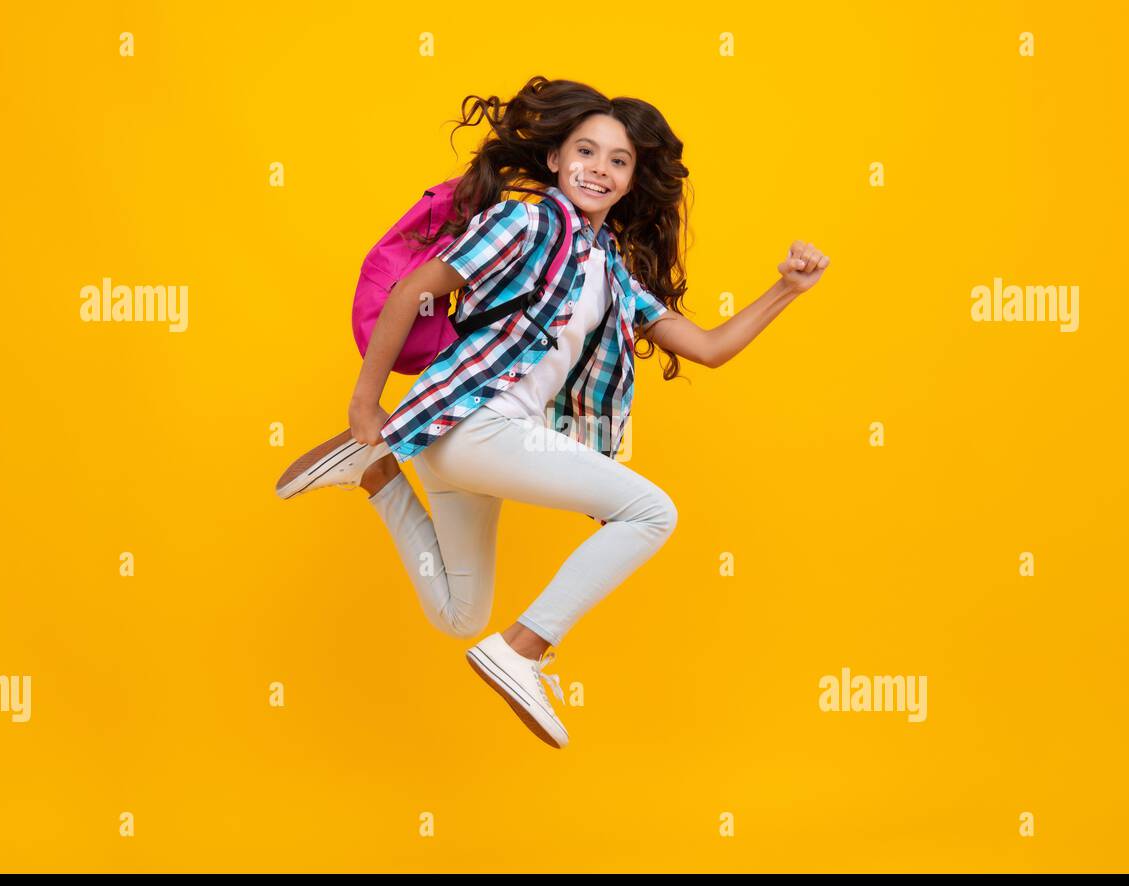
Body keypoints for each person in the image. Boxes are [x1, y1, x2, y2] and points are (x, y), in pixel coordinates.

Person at [276, 76, 830, 748]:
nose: (599, 168)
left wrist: (787, 289)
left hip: (469, 445)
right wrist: (366, 405)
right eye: (586, 151)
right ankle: (522, 651)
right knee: (653, 512)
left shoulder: (613, 269)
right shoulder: (528, 219)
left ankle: (377, 476)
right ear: (555, 160)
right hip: (475, 421)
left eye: (617, 161)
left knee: (458, 612)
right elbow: (413, 291)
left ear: (631, 181)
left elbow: (709, 348)